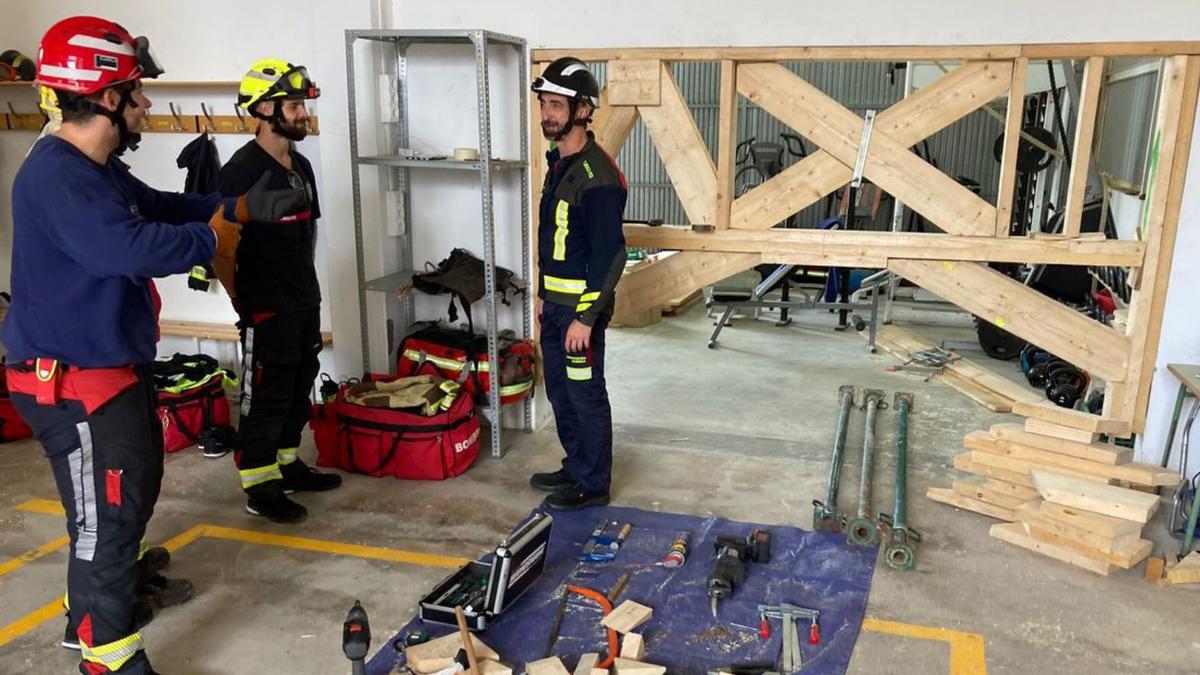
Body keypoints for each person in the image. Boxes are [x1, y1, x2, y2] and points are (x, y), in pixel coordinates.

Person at [2, 17, 306, 674]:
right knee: (105, 517)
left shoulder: (99, 169)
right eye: (135, 92)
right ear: (105, 97)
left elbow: (160, 206)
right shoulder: (59, 177)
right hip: (72, 383)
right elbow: (124, 248)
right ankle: (106, 652)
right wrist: (216, 238)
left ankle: (102, 591)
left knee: (130, 493)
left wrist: (236, 207)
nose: (145, 104)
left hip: (109, 368)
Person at [213, 58, 340, 525]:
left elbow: (306, 235)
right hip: (265, 305)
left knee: (298, 380)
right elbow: (220, 246)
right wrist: (240, 300)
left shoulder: (301, 166)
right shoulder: (241, 172)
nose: (303, 114)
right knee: (265, 394)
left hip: (302, 298)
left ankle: (287, 463)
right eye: (293, 105)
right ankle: (259, 484)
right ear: (264, 109)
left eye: (302, 105)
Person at [527, 57, 628, 511]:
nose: (546, 114)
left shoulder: (598, 177)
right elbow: (557, 243)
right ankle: (576, 464)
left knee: (585, 393)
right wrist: (544, 298)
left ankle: (593, 482)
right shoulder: (559, 164)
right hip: (555, 308)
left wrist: (585, 318)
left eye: (555, 105)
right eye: (544, 104)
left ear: (582, 111)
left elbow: (611, 256)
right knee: (561, 392)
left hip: (579, 316)